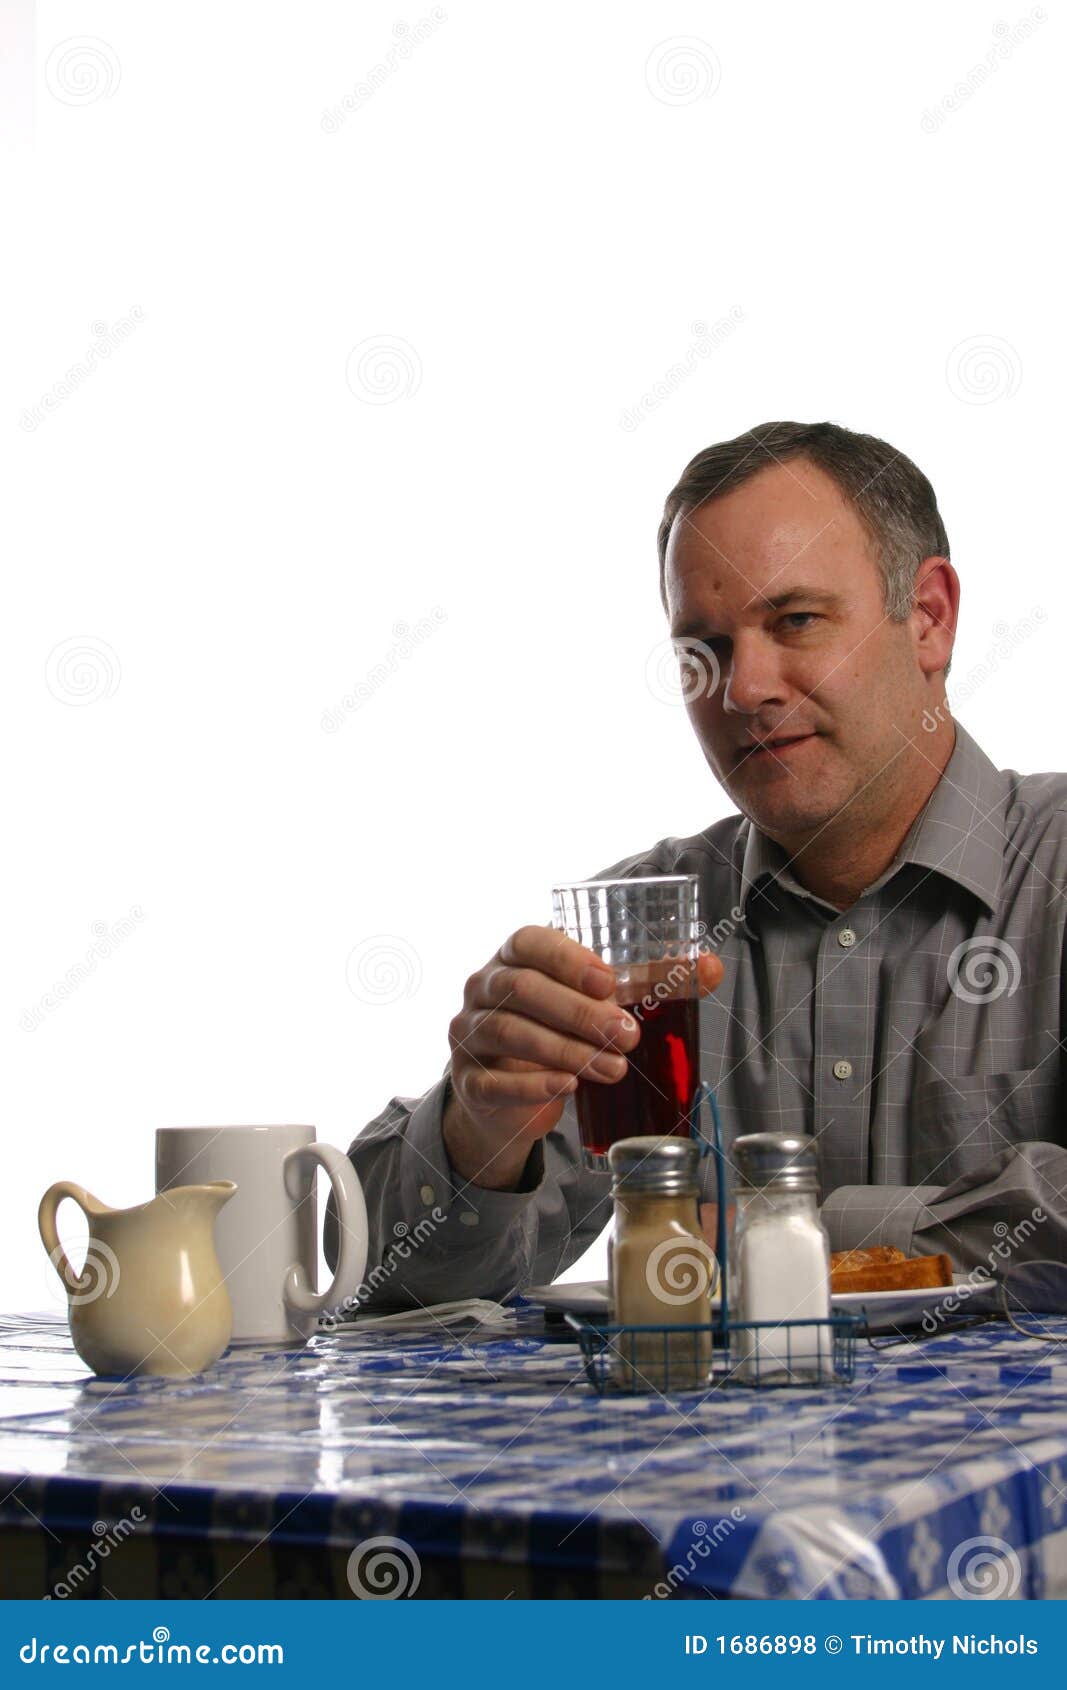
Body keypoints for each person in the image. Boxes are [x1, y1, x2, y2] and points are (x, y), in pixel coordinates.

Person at [326, 420, 1067, 1313]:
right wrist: (478, 1138)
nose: (742, 688)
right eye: (701, 650)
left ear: (929, 620)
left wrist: (784, 1232)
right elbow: (377, 1282)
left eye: (794, 621)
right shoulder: (640, 933)